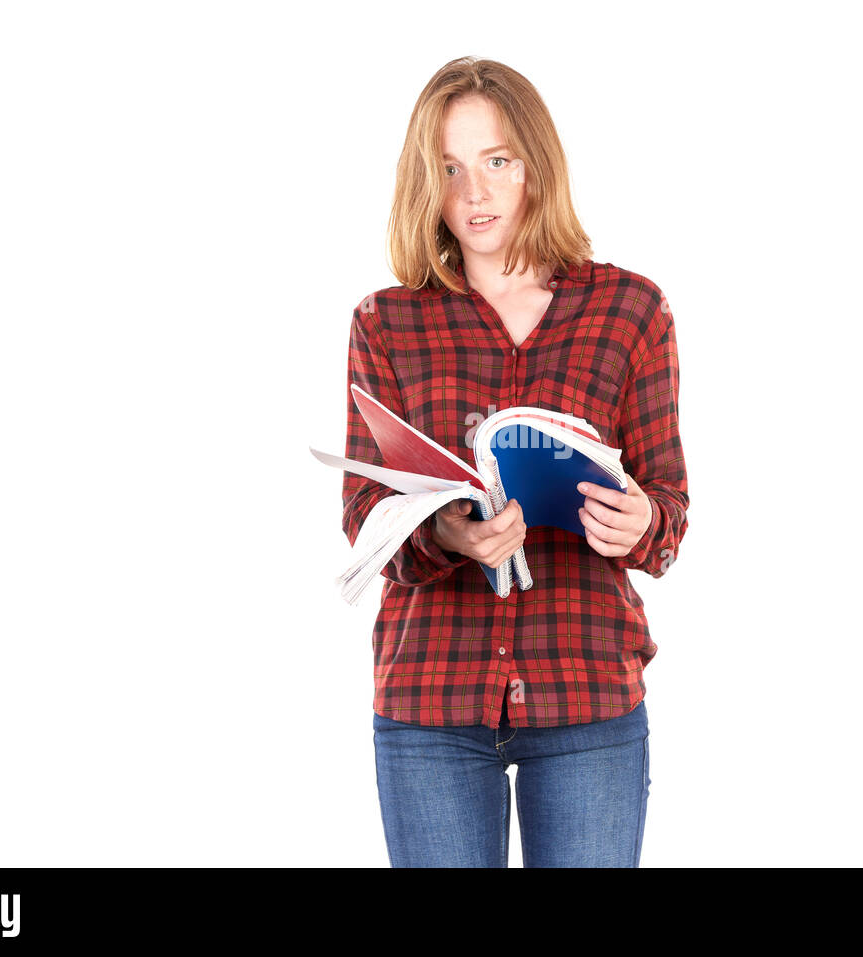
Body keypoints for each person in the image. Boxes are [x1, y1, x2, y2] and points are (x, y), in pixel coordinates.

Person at [341, 56, 688, 867]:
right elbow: (365, 515)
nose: (474, 194)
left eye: (497, 161)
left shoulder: (631, 309)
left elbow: (668, 514)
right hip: (431, 700)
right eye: (450, 169)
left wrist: (640, 519)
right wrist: (450, 538)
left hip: (586, 695)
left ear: (535, 163)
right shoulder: (385, 323)